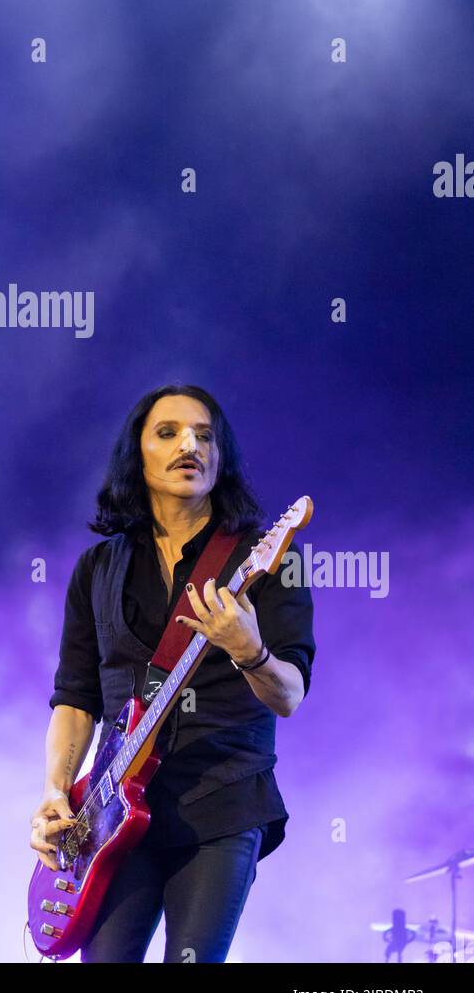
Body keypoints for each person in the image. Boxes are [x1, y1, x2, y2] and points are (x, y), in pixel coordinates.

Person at [29, 384, 315, 963]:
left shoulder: (265, 557)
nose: (190, 444)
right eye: (169, 432)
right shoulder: (98, 568)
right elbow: (76, 698)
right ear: (138, 454)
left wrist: (250, 650)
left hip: (221, 803)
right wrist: (57, 792)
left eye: (205, 436)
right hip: (110, 816)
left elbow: (289, 695)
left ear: (221, 457)